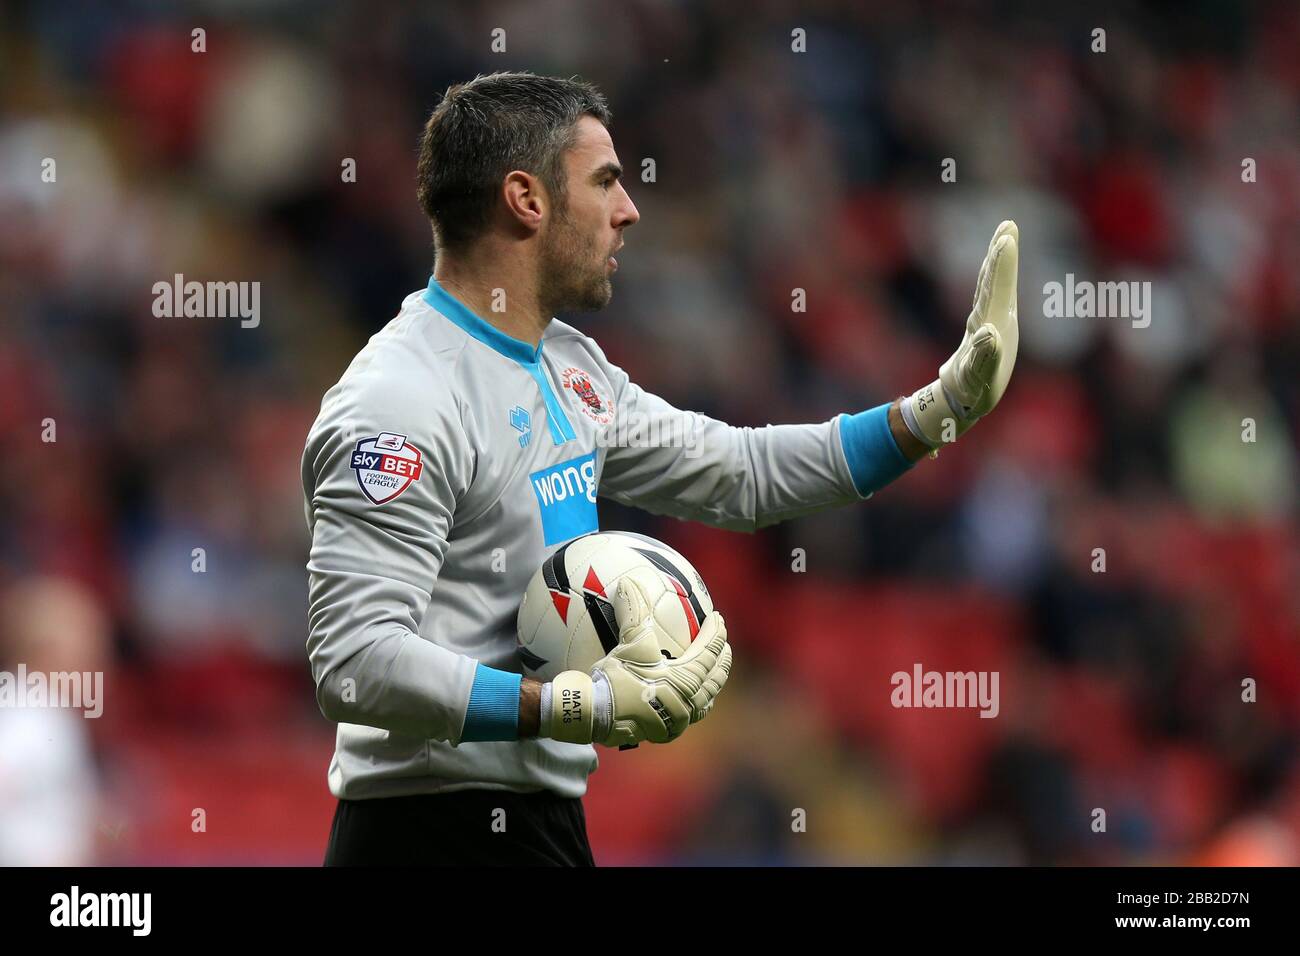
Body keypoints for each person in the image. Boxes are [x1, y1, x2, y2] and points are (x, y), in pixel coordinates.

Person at [302, 71, 1019, 866]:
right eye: (605, 181)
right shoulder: (400, 400)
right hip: (423, 839)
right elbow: (356, 661)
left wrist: (934, 411)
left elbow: (737, 473)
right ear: (526, 200)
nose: (628, 210)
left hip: (545, 824)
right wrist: (571, 704)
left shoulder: (569, 367)